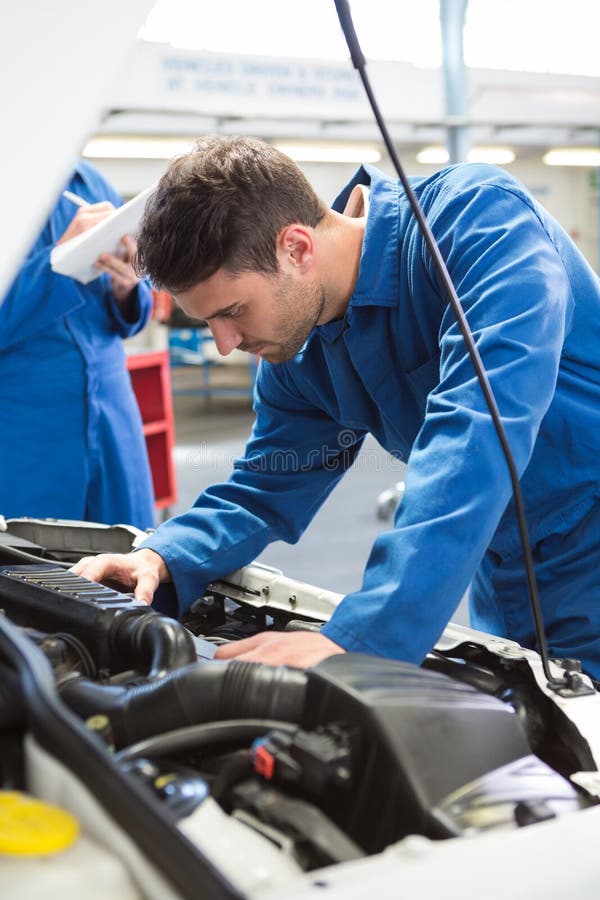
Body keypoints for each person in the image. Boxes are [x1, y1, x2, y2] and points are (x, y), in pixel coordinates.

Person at [72, 135, 600, 678]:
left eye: (233, 311)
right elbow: (267, 486)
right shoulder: (299, 351)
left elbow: (476, 437)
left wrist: (363, 636)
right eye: (208, 321)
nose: (225, 343)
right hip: (494, 562)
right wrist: (164, 555)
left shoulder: (479, 224)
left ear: (296, 248)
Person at [0, 159, 155, 530]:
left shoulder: (92, 184)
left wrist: (126, 288)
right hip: (27, 426)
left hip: (114, 416)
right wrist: (56, 261)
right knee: (30, 567)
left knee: (130, 554)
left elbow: (135, 309)